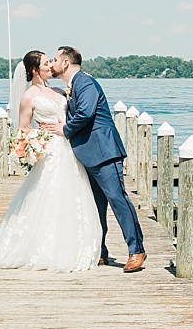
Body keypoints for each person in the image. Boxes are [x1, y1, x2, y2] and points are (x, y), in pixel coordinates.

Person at [0, 50, 103, 271]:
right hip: (50, 150)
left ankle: (75, 244)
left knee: (73, 195)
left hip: (68, 148)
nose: (50, 66)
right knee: (48, 194)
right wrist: (35, 144)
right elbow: (24, 129)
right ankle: (44, 247)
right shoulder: (29, 97)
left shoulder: (58, 90)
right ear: (35, 70)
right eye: (45, 63)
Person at [47, 46, 145, 272]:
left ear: (65, 63)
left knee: (118, 200)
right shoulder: (74, 85)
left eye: (54, 59)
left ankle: (136, 249)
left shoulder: (85, 82)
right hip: (88, 154)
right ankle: (100, 251)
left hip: (104, 151)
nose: (52, 64)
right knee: (95, 206)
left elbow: (86, 113)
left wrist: (65, 129)